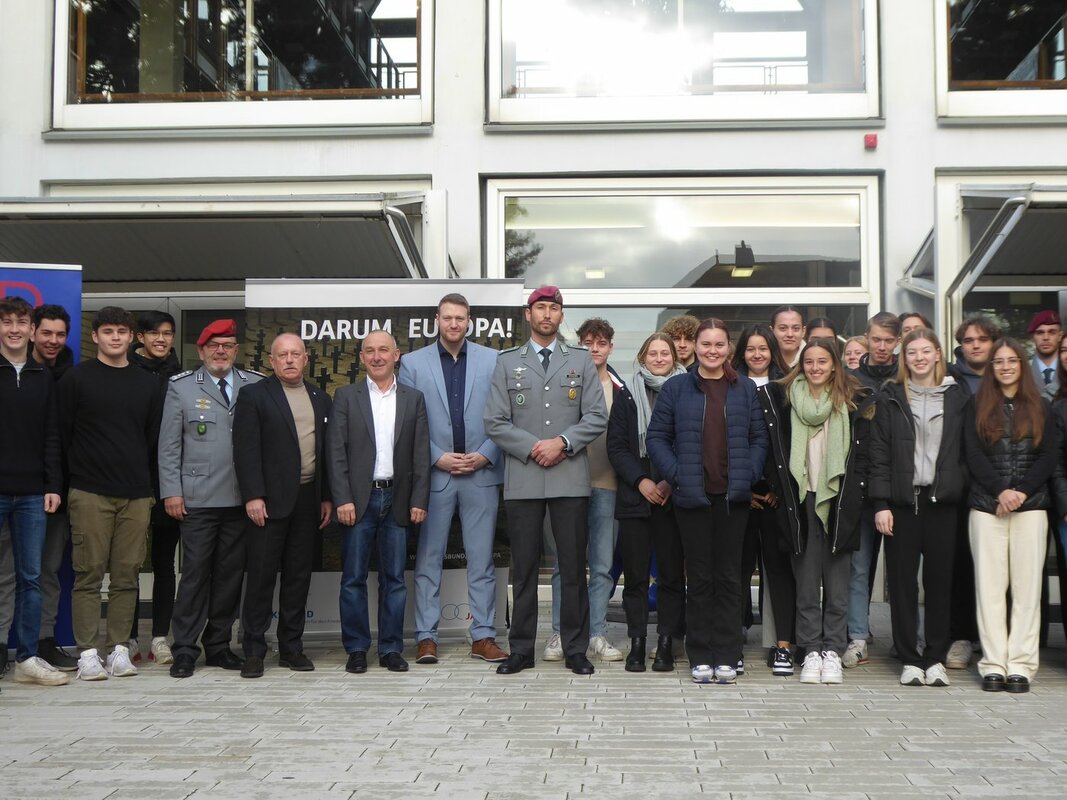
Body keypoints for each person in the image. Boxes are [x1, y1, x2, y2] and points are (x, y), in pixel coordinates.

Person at [484, 286, 608, 676]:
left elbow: (596, 416)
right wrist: (535, 446)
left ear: (561, 315)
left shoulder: (580, 359)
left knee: (572, 568)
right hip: (523, 477)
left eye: (554, 308)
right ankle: (521, 649)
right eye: (541, 308)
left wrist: (562, 443)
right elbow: (494, 421)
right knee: (523, 570)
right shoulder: (507, 362)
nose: (547, 314)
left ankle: (575, 648)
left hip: (569, 477)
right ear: (529, 314)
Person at [646, 318, 768, 685]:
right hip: (692, 498)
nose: (712, 351)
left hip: (734, 499)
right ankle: (700, 654)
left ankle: (728, 654)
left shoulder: (745, 388)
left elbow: (759, 438)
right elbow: (656, 438)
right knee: (698, 578)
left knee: (730, 577)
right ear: (695, 347)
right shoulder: (676, 388)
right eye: (706, 344)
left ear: (728, 348)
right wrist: (679, 476)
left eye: (719, 345)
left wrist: (748, 474)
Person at [398, 294, 507, 665]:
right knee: (428, 560)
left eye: (460, 318)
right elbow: (406, 420)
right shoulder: (412, 364)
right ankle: (426, 638)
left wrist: (487, 453)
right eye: (448, 318)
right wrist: (436, 456)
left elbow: (505, 413)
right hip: (435, 475)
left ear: (469, 320)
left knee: (482, 561)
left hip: (481, 472)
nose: (454, 324)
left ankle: (484, 636)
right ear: (437, 320)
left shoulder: (493, 360)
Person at [759, 338, 872, 685]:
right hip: (800, 499)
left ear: (834, 364)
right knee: (806, 582)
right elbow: (773, 452)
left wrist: (858, 494)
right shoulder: (784, 399)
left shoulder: (854, 401)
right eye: (809, 362)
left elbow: (865, 457)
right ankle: (810, 649)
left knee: (837, 583)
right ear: (801, 365)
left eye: (822, 361)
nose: (815, 368)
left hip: (839, 499)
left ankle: (832, 651)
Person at [58, 306, 162, 681]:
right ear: (96, 336)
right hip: (89, 491)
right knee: (88, 574)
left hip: (135, 493)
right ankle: (88, 653)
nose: (115, 337)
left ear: (132, 337)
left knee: (126, 575)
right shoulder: (76, 379)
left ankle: (119, 650)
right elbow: (63, 434)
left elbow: (151, 438)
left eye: (121, 331)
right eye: (108, 331)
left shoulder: (148, 383)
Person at [158, 319, 263, 678]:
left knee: (230, 577)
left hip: (240, 499)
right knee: (195, 575)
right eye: (214, 345)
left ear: (236, 350)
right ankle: (185, 649)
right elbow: (169, 445)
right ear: (201, 351)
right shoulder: (182, 387)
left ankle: (218, 645)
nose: (221, 351)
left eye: (227, 345)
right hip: (198, 498)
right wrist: (172, 491)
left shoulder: (255, 384)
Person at [870, 329, 969, 687]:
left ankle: (935, 657)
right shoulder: (891, 396)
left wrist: (958, 486)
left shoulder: (958, 396)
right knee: (902, 585)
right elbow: (879, 453)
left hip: (942, 503)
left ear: (938, 354)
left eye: (926, 351)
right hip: (902, 503)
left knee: (939, 584)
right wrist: (881, 503)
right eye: (912, 352)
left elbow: (967, 450)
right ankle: (910, 658)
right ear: (904, 357)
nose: (919, 358)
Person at [329, 331, 429, 674]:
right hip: (359, 500)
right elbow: (336, 453)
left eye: (383, 350)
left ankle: (390, 649)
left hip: (397, 498)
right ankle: (357, 649)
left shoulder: (414, 399)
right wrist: (342, 498)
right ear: (361, 358)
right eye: (369, 351)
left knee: (395, 579)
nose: (376, 356)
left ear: (396, 355)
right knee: (353, 579)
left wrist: (419, 499)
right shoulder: (346, 396)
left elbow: (420, 453)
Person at [233, 333, 332, 679]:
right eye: (282, 355)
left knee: (297, 577)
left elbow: (326, 453)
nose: (289, 360)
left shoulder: (320, 398)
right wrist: (253, 496)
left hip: (307, 500)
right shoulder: (254, 396)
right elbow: (245, 450)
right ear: (271, 361)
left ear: (306, 359)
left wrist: (326, 496)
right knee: (261, 577)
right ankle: (254, 650)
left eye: (295, 354)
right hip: (268, 502)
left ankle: (291, 647)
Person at [965, 337, 1058, 693]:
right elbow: (972, 455)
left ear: (1022, 365)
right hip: (987, 508)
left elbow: (1048, 457)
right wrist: (1000, 491)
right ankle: (993, 664)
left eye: (1012, 361)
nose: (1005, 367)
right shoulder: (976, 405)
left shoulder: (1042, 406)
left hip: (1030, 508)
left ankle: (1020, 664)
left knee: (1027, 589)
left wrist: (1021, 492)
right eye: (999, 362)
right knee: (989, 588)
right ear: (991, 368)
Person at [0, 304, 78, 673]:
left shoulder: (53, 376)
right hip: (8, 489)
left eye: (21, 323)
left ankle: (34, 651)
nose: (15, 329)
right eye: (7, 322)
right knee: (5, 573)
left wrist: (54, 485)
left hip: (41, 492)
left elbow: (53, 436)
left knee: (37, 574)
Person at [544, 317, 625, 663]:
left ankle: (596, 634)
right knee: (565, 565)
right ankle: (560, 633)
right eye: (588, 342)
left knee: (602, 565)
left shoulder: (621, 389)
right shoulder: (561, 382)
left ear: (610, 348)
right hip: (566, 484)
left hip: (607, 484)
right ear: (578, 345)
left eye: (601, 343)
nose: (594, 349)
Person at [606, 333, 687, 672]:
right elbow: (616, 447)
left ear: (674, 358)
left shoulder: (687, 391)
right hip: (635, 496)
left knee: (670, 576)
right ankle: (637, 643)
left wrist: (669, 480)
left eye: (664, 353)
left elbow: (691, 443)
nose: (659, 358)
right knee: (636, 577)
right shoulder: (627, 395)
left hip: (674, 497)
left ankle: (666, 643)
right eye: (652, 353)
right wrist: (641, 481)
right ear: (642, 358)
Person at [732, 324, 796, 675]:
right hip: (740, 495)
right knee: (737, 572)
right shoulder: (731, 386)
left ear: (773, 351)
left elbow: (789, 442)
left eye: (763, 348)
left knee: (779, 571)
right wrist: (743, 489)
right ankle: (732, 644)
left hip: (776, 497)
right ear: (741, 353)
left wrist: (775, 487)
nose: (757, 354)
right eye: (750, 349)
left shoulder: (787, 388)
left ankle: (782, 645)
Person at [843, 311, 900, 670]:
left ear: (898, 342)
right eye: (876, 339)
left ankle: (907, 639)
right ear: (866, 338)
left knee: (902, 572)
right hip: (861, 486)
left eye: (888, 340)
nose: (881, 346)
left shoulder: (905, 376)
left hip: (900, 486)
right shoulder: (850, 379)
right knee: (859, 568)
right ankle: (858, 637)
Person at [944, 313, 1000, 669]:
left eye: (982, 339)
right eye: (968, 340)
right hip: (962, 486)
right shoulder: (950, 380)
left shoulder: (1007, 375)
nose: (975, 345)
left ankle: (995, 639)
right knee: (961, 566)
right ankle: (961, 637)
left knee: (998, 568)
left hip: (1003, 486)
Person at [128, 310, 183, 665]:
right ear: (140, 337)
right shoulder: (126, 373)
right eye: (154, 333)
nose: (161, 339)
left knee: (164, 563)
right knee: (129, 564)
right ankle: (129, 637)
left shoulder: (182, 377)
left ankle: (161, 637)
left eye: (167, 333)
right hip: (131, 481)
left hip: (169, 484)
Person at [1028, 310, 1062, 401]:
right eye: (1040, 332)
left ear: (1060, 336)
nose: (1046, 338)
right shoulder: (1023, 370)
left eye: (1052, 332)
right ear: (1032, 337)